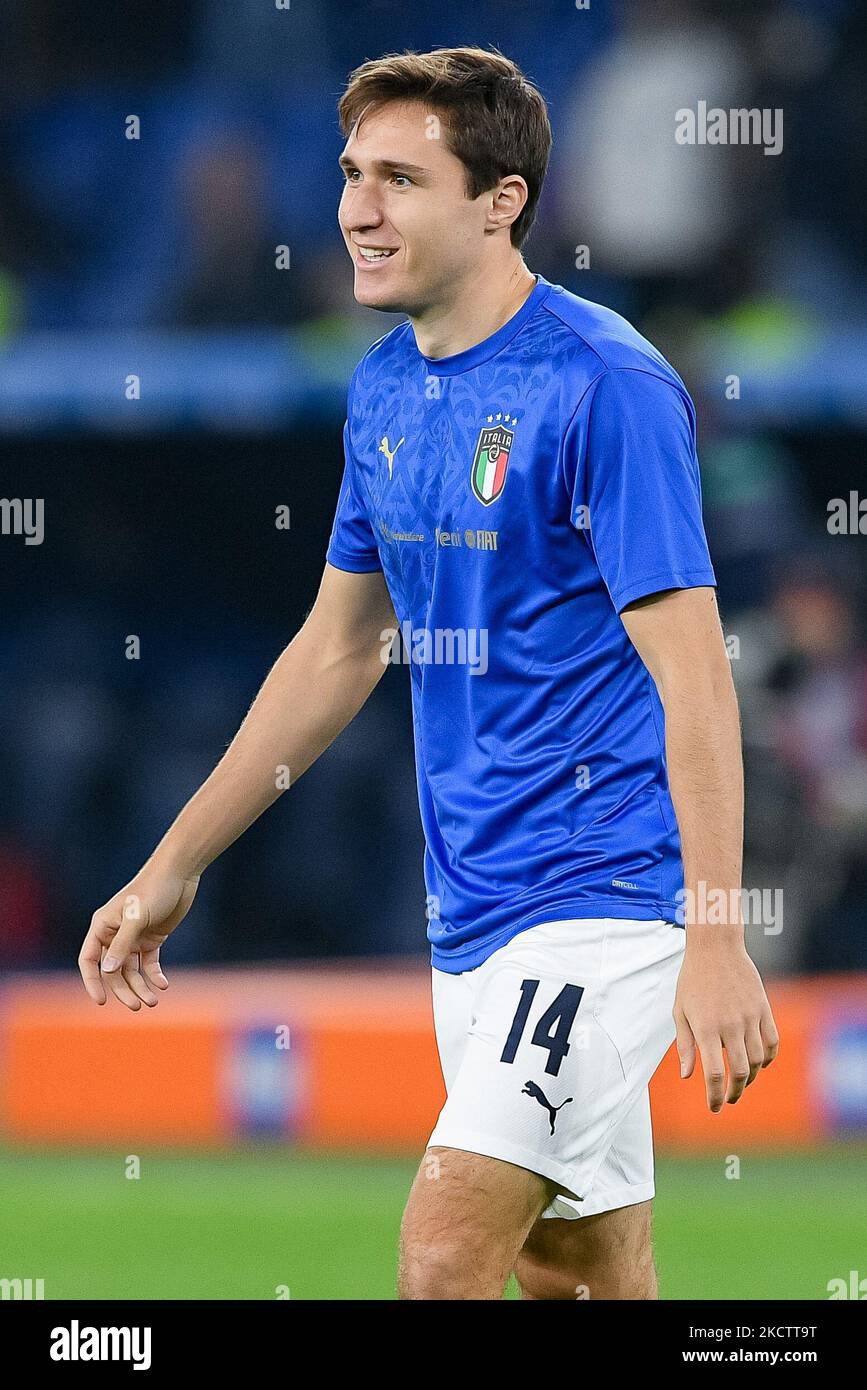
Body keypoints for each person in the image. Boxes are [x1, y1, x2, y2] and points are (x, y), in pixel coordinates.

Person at [79, 46, 778, 1301]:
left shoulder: (605, 385)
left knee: (443, 1252)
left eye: (401, 177)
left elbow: (698, 679)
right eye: (353, 174)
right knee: (586, 1276)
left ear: (502, 201)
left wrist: (718, 938)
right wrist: (172, 863)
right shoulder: (387, 389)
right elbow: (339, 647)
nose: (356, 208)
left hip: (607, 904)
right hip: (471, 918)